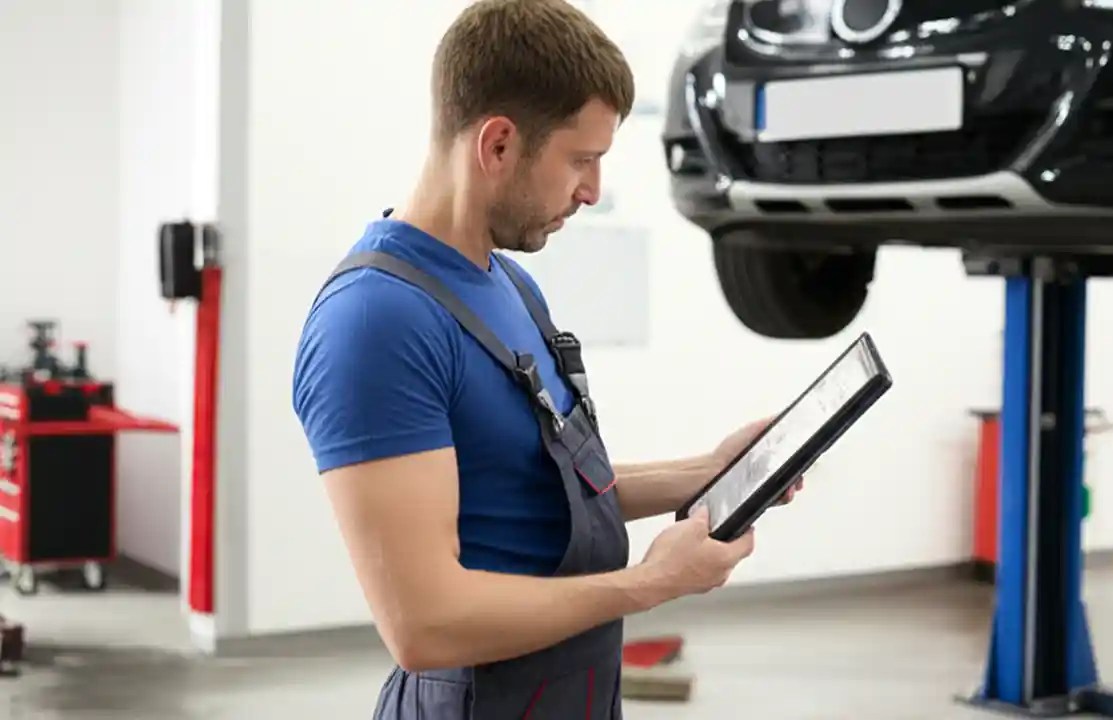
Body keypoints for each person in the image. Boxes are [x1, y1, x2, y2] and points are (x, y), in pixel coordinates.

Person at [291, 1, 801, 717]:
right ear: (498, 145)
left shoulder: (509, 284)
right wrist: (653, 583)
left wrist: (713, 470)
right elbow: (423, 624)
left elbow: (544, 494)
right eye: (581, 160)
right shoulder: (377, 321)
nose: (591, 191)